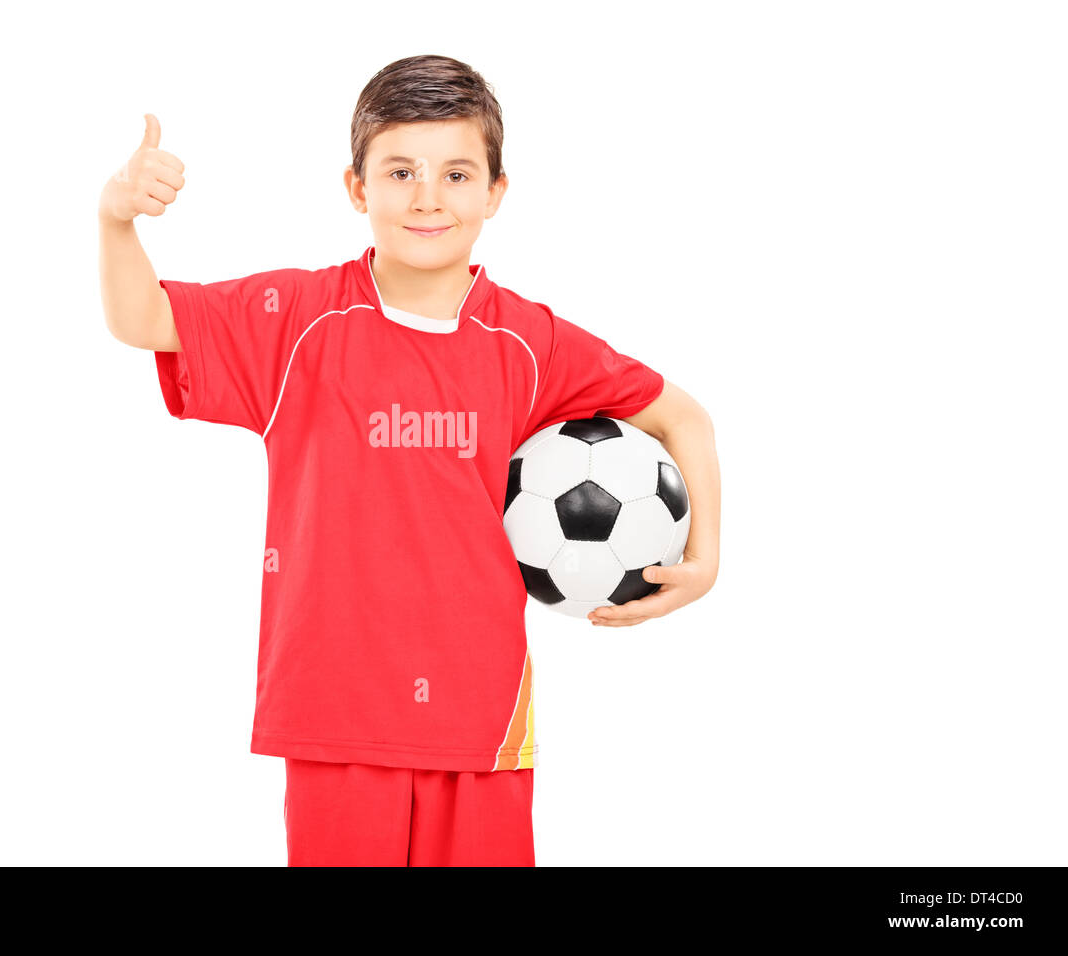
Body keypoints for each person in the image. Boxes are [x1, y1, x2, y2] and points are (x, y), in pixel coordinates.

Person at [97, 54, 721, 866]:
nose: (428, 196)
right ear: (357, 188)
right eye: (400, 171)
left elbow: (684, 418)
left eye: (457, 173)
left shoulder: (528, 343)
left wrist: (703, 562)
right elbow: (143, 318)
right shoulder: (297, 322)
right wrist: (116, 221)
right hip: (334, 724)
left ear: (496, 192)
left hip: (482, 725)